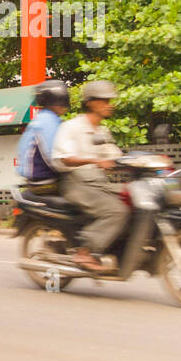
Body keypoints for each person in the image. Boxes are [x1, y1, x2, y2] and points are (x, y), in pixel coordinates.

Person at [51, 80, 127, 272]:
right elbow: (65, 159)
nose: (110, 105)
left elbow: (114, 158)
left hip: (98, 183)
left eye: (110, 101)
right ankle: (84, 252)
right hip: (75, 183)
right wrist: (93, 160)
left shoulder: (102, 131)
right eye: (105, 100)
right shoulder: (71, 127)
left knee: (132, 199)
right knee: (116, 211)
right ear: (92, 102)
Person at [16, 79, 70, 191]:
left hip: (36, 179)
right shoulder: (48, 121)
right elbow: (52, 156)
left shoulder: (43, 118)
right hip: (45, 181)